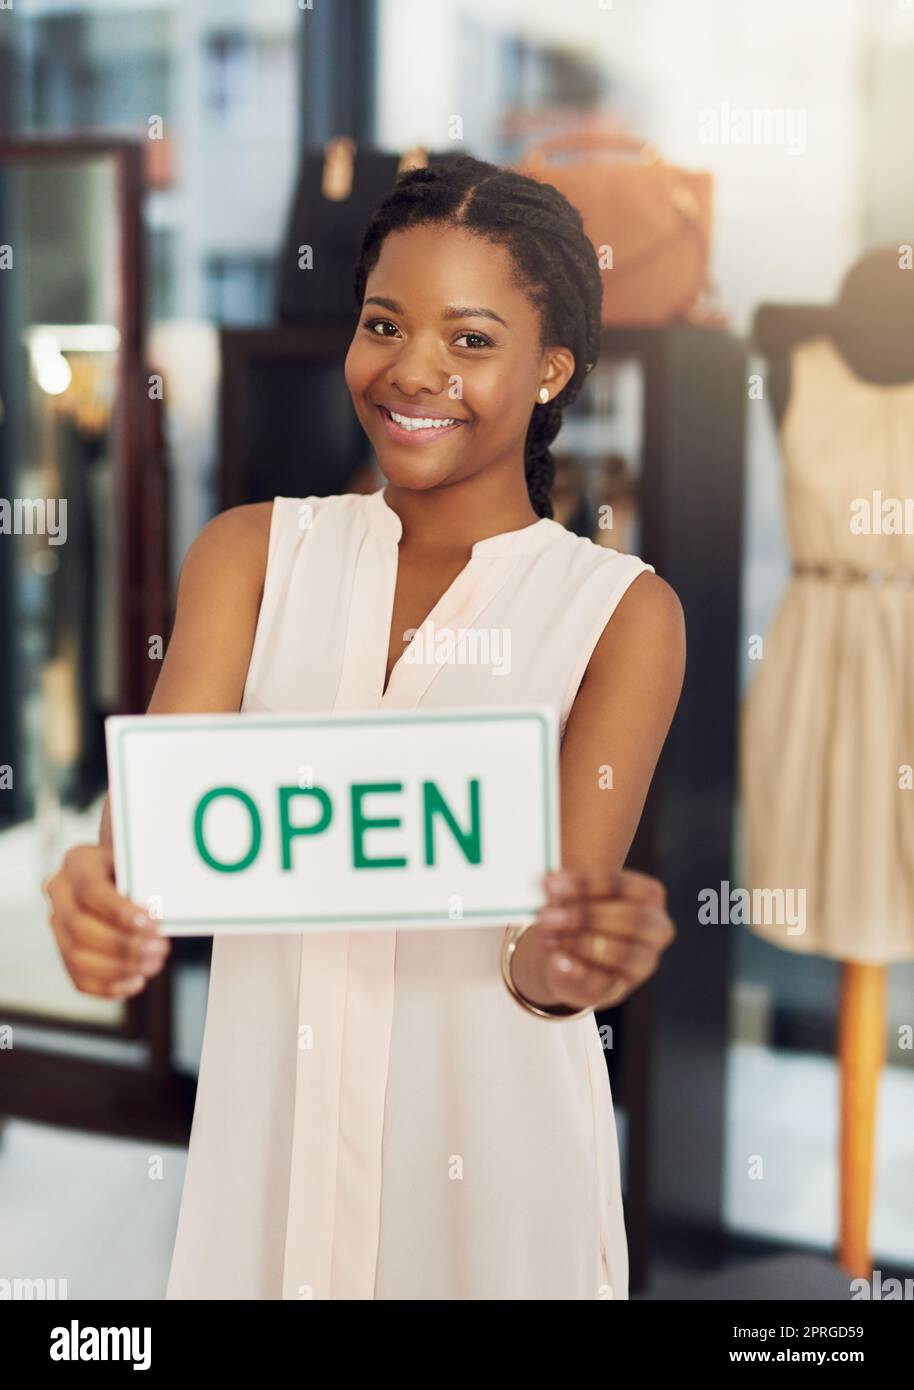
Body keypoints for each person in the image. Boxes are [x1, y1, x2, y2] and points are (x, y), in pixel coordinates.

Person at [43, 155, 686, 1300]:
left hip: (489, 1173)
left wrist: (574, 955)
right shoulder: (249, 554)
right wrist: (97, 895)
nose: (413, 370)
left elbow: (544, 946)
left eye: (471, 340)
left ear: (550, 370)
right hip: (269, 1157)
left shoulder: (618, 612)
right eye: (384, 322)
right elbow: (144, 839)